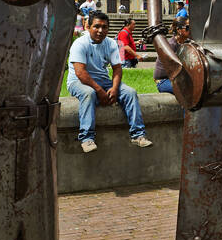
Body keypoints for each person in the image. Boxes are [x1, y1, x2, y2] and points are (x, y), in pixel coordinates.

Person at [67, 11, 151, 153]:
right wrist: (100, 91)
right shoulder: (80, 44)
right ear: (88, 27)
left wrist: (114, 88)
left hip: (103, 80)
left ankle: (138, 135)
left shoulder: (112, 44)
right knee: (89, 93)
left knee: (130, 92)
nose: (100, 31)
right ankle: (87, 138)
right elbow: (80, 73)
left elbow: (117, 69)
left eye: (104, 27)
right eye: (97, 26)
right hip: (78, 81)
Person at [155, 19, 190, 93]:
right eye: (187, 27)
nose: (190, 30)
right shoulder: (171, 45)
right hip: (163, 81)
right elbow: (175, 68)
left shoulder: (185, 43)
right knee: (186, 90)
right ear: (179, 30)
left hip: (175, 78)